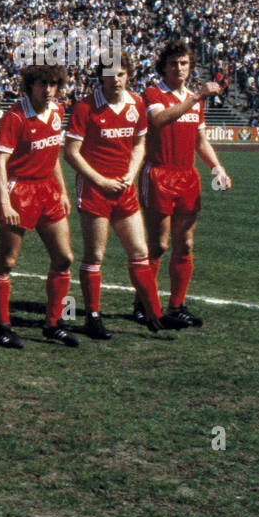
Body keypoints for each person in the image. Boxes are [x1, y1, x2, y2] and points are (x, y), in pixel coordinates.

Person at [63, 54, 175, 338]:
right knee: (95, 255)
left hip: (124, 189)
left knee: (140, 252)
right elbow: (71, 153)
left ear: (129, 76)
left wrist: (132, 172)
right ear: (101, 76)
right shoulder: (85, 107)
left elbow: (140, 144)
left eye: (122, 74)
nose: (116, 79)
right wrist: (100, 180)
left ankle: (154, 314)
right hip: (94, 188)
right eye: (111, 74)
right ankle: (93, 317)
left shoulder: (136, 103)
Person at [137, 40, 231, 328]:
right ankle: (143, 305)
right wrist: (196, 97)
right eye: (173, 63)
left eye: (184, 63)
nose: (179, 68)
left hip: (187, 176)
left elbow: (201, 141)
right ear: (163, 67)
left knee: (186, 244)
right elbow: (161, 120)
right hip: (159, 174)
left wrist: (217, 168)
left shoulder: (193, 97)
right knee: (159, 245)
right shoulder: (154, 93)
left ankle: (177, 306)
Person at [0, 62, 78, 348]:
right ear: (31, 87)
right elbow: (0, 161)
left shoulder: (58, 111)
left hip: (48, 190)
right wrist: (4, 200)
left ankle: (54, 323)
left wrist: (62, 191)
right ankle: (2, 327)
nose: (49, 90)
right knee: (7, 261)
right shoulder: (15, 117)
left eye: (54, 84)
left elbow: (53, 157)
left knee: (64, 258)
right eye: (43, 85)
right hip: (20, 190)